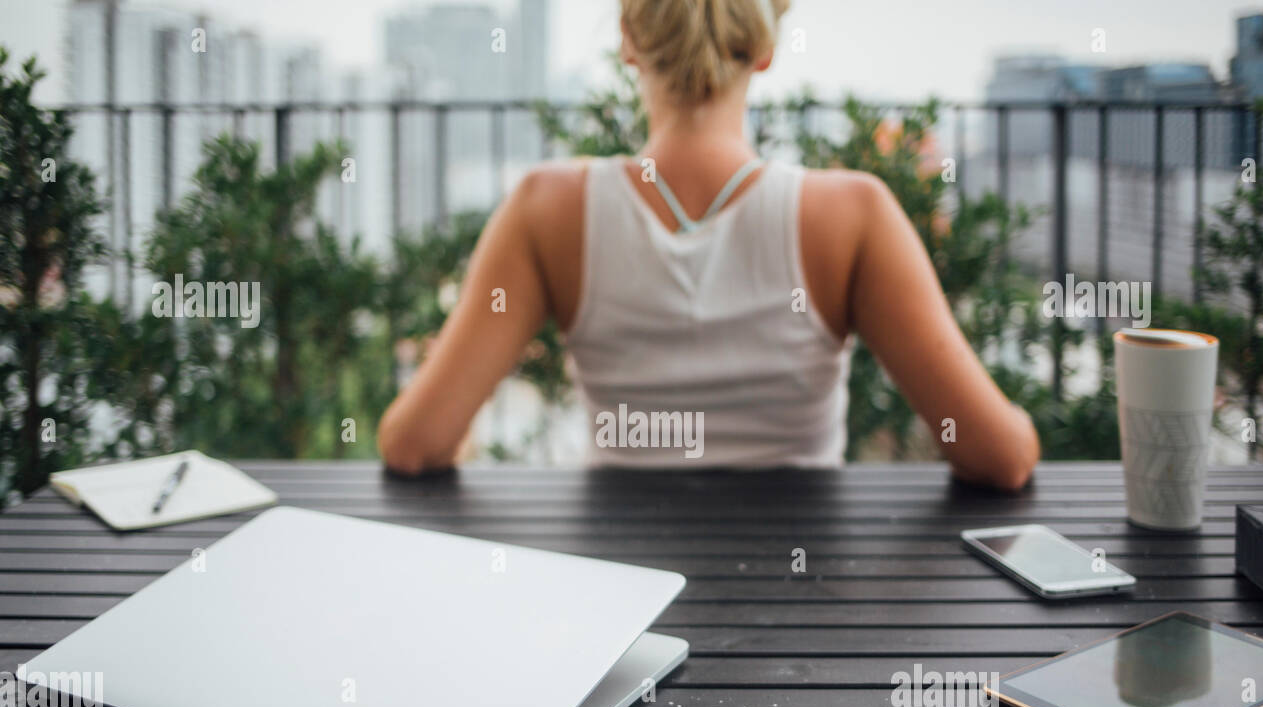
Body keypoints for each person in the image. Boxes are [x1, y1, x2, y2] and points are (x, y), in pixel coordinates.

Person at [378, 0, 1040, 490]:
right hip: (802, 620)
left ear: (628, 41)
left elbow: (414, 445)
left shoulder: (546, 209)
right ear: (765, 48)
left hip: (625, 607)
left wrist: (453, 425)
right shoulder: (853, 214)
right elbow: (999, 457)